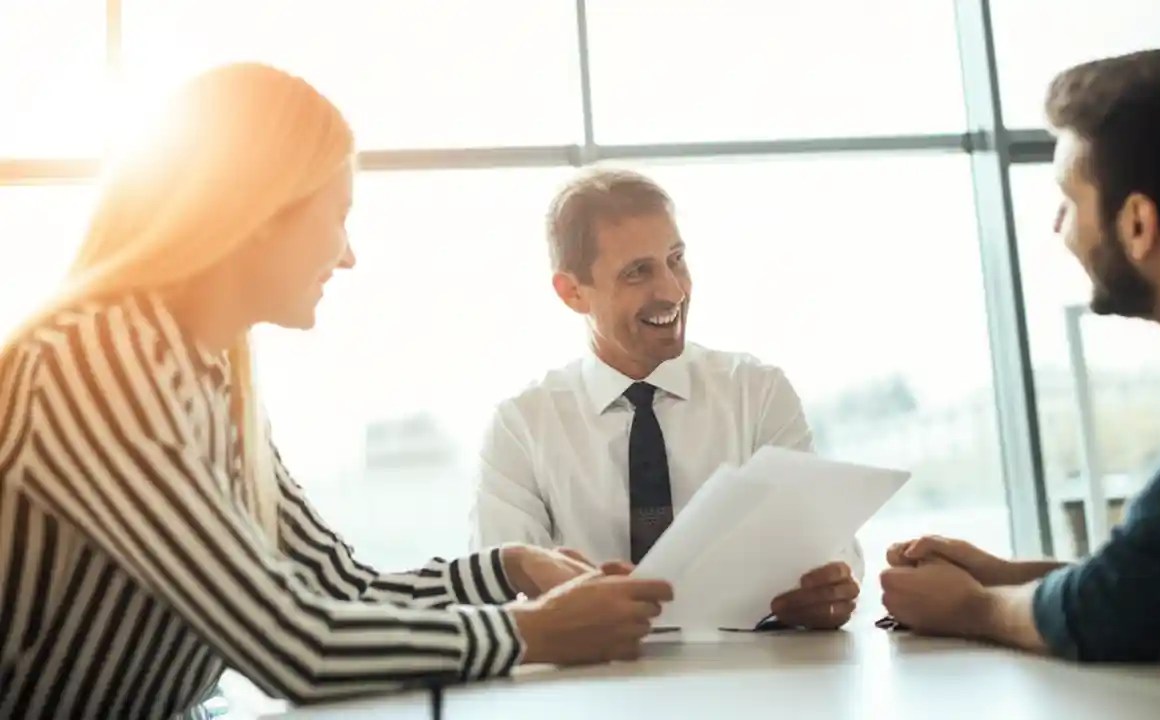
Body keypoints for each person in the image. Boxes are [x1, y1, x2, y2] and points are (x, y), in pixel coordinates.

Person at [0, 64, 672, 720]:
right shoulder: (91, 363)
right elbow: (291, 643)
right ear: (257, 214)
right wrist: (533, 633)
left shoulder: (213, 378)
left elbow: (338, 589)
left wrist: (510, 569)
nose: (347, 254)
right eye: (338, 216)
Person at [880, 49, 1160, 661]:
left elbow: (1123, 607)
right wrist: (1001, 577)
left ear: (1138, 223)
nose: (1057, 226)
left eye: (1069, 199)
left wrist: (972, 608)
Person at [471, 169, 862, 631]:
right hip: (591, 686)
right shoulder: (523, 427)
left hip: (749, 680)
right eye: (639, 272)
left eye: (675, 260)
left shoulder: (756, 392)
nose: (674, 291)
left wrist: (826, 589)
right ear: (572, 292)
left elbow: (831, 550)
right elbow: (501, 595)